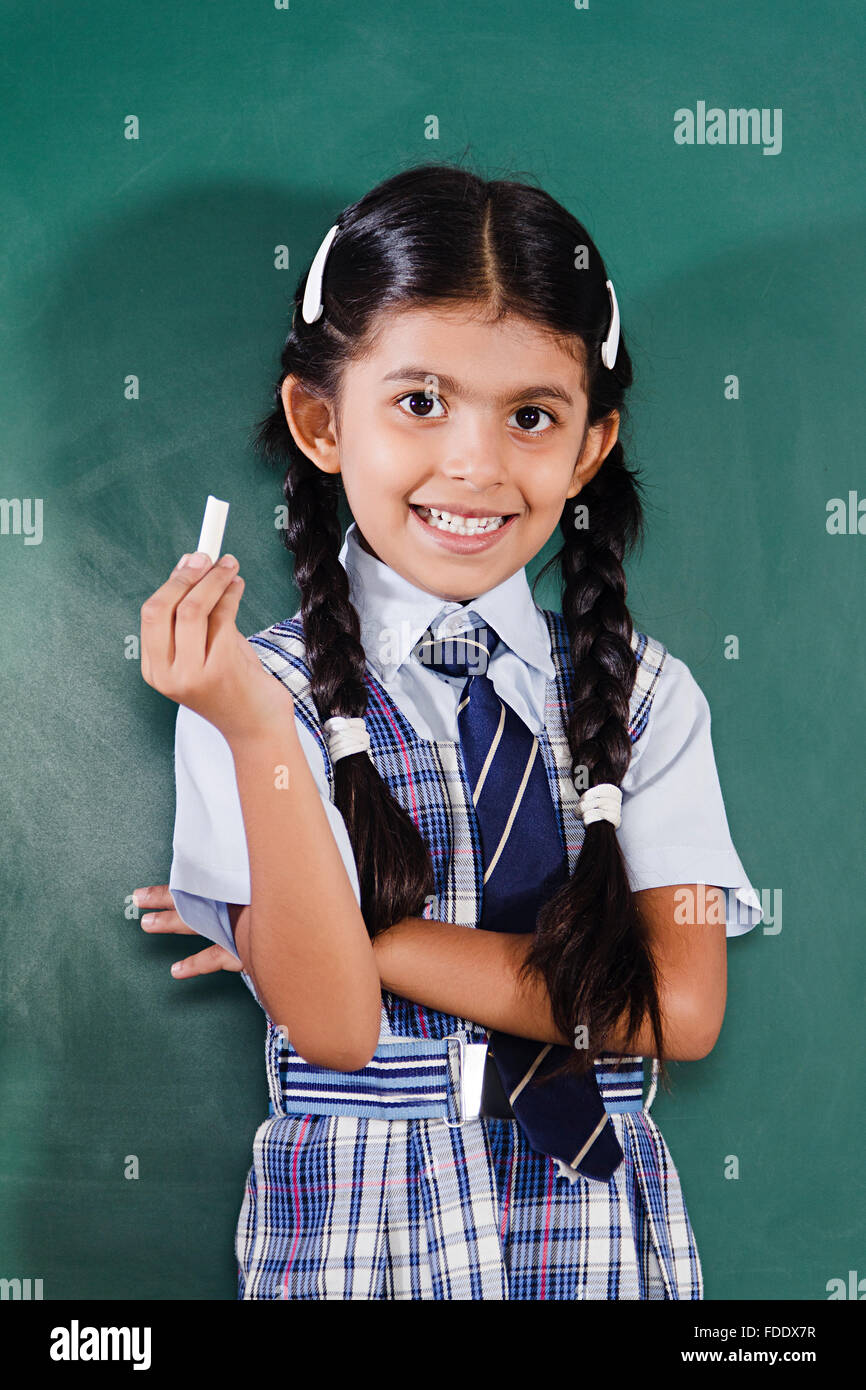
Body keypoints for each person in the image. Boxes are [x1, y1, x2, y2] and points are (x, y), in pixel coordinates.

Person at [135, 162, 763, 1300]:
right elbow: (329, 1028)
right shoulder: (246, 694)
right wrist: (261, 747)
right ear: (320, 421)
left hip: (593, 1226)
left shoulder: (647, 698)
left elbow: (678, 1007)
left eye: (530, 415)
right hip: (358, 1231)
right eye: (418, 401)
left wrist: (334, 927)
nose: (473, 463)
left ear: (586, 447)